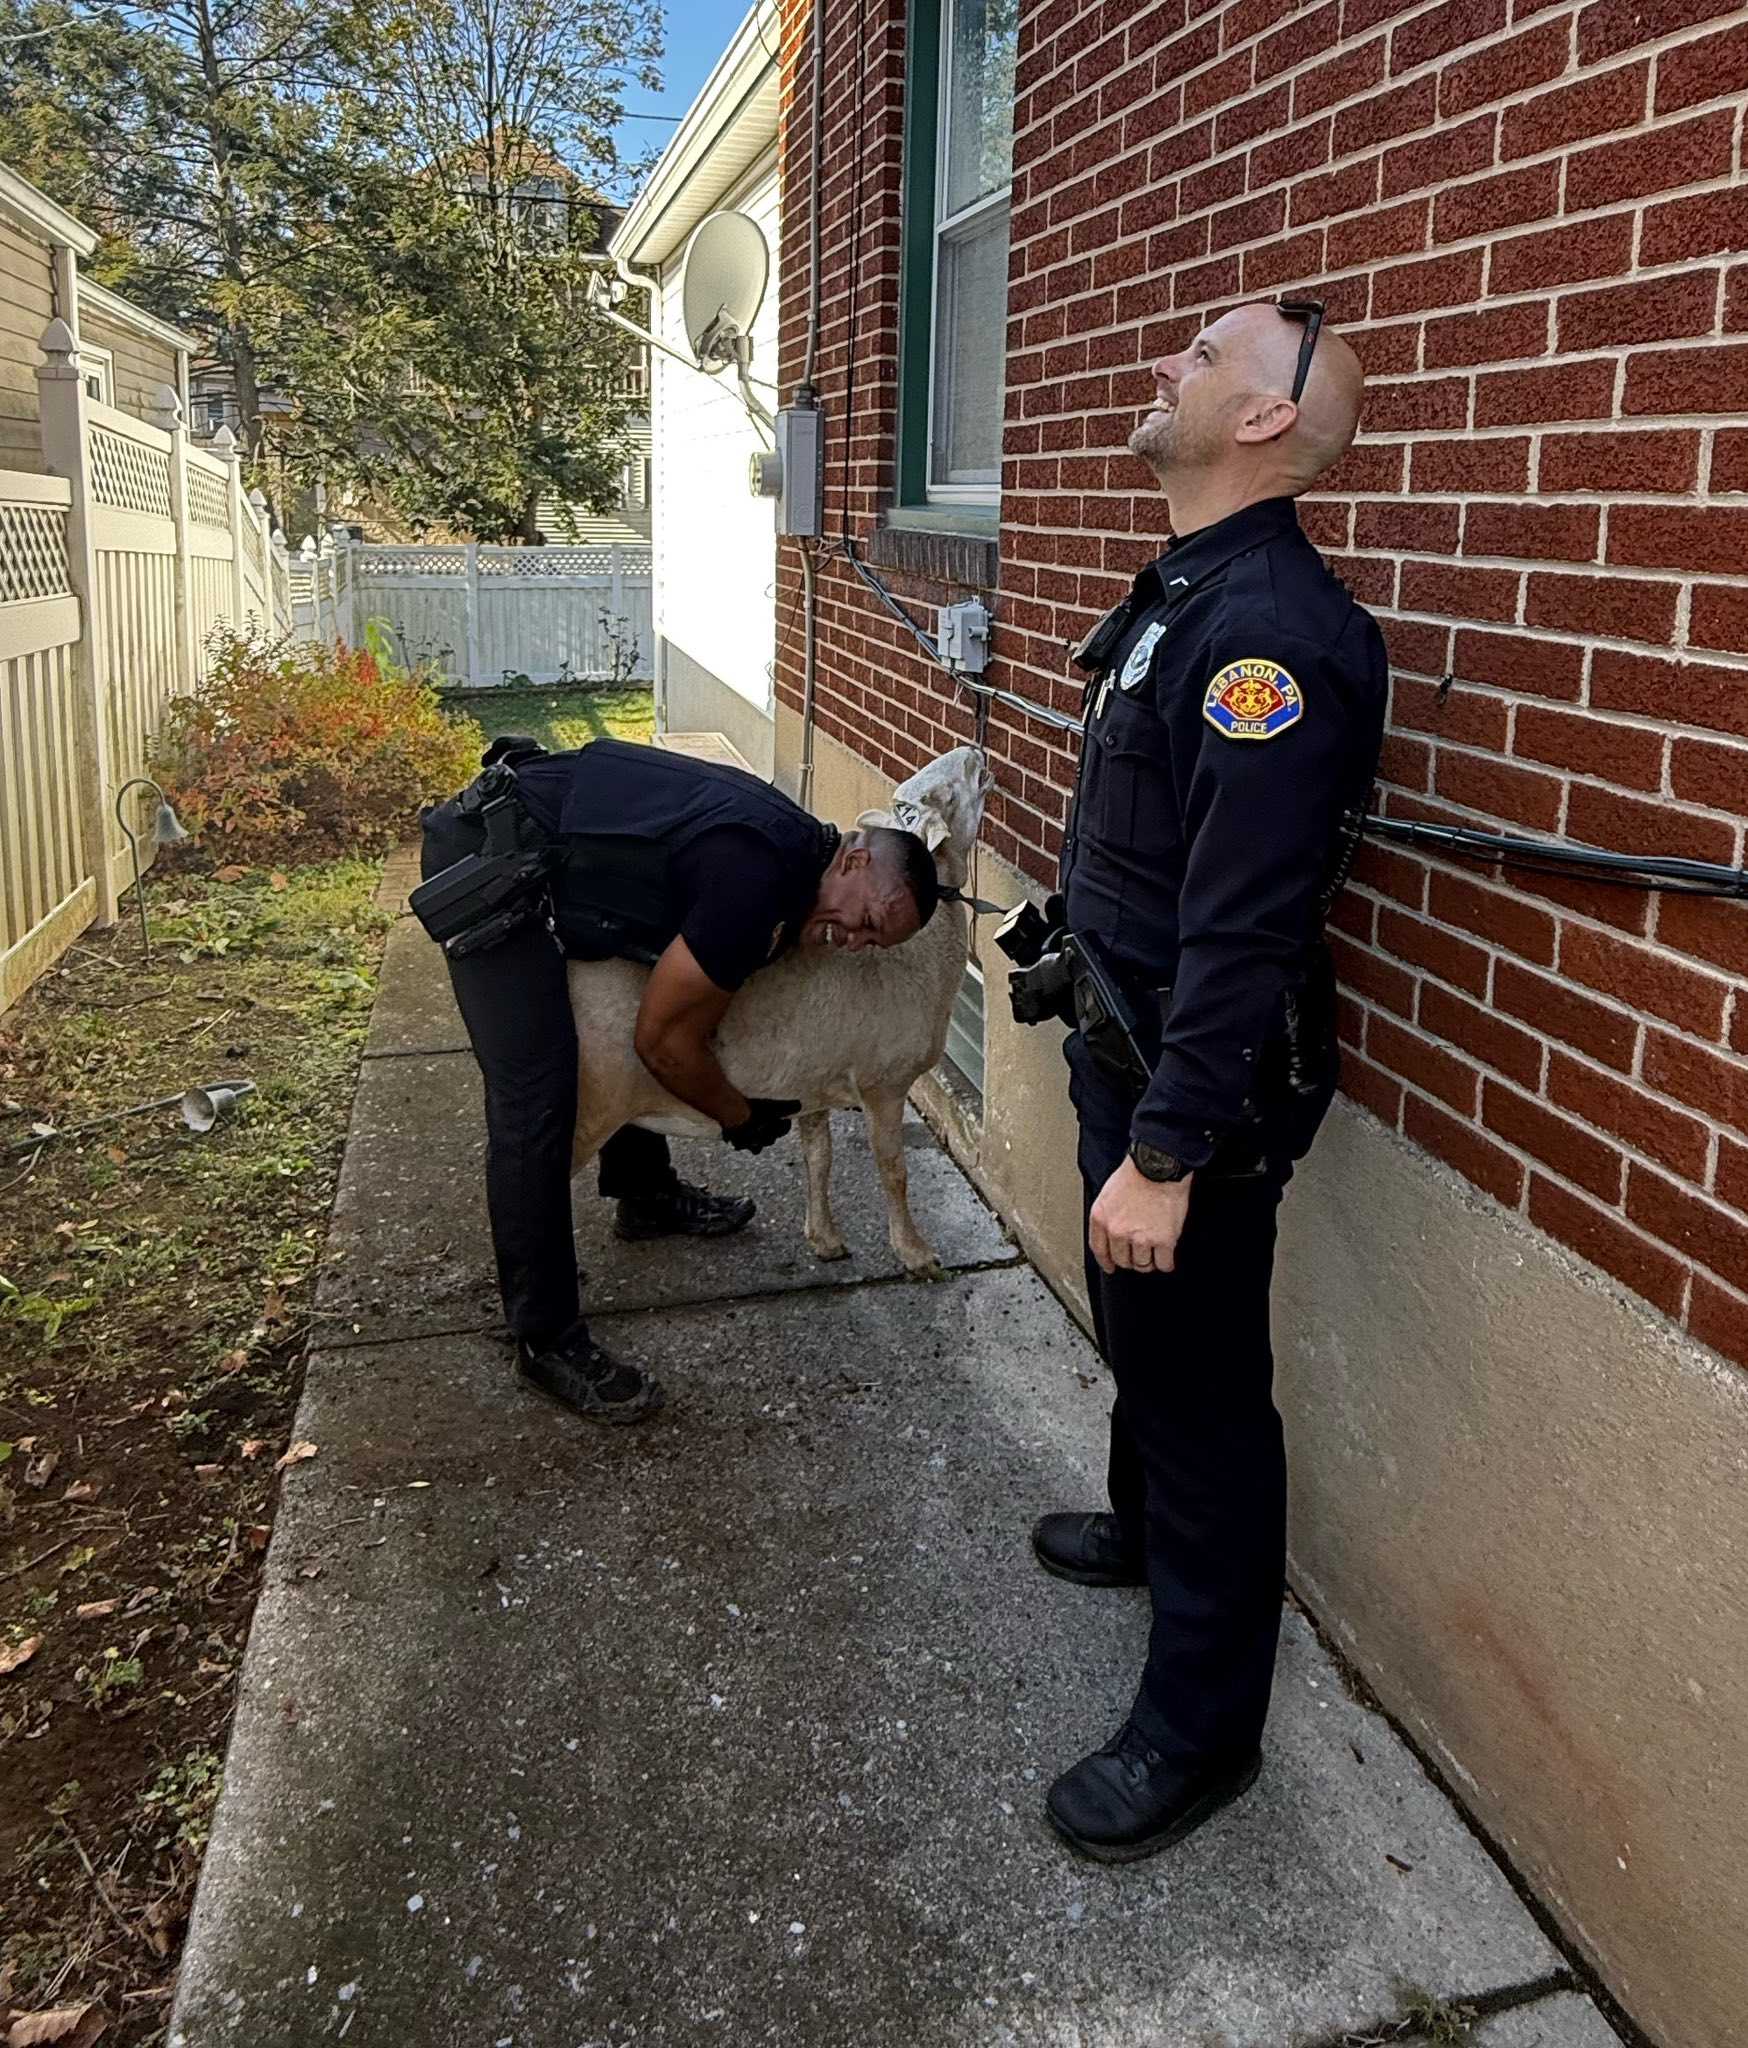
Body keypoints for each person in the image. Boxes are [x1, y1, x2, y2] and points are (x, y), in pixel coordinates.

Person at [1031, 298, 1388, 1861]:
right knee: (1144, 1344)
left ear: (1261, 423)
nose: (1160, 365)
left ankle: (1200, 1729)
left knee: (1204, 1397)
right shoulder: (1188, 590)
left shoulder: (1270, 638)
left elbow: (1247, 927)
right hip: (1127, 1043)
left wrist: (1167, 1151)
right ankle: (1144, 1527)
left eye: (1200, 356)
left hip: (1198, 1090)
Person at [419, 738, 940, 1424]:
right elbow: (664, 1045)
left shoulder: (795, 854)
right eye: (867, 919)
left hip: (556, 843)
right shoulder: (756, 883)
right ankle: (544, 1338)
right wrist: (740, 1116)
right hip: (490, 861)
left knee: (654, 983)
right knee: (537, 1102)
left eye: (875, 942)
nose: (855, 940)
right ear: (853, 857)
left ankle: (644, 1193)